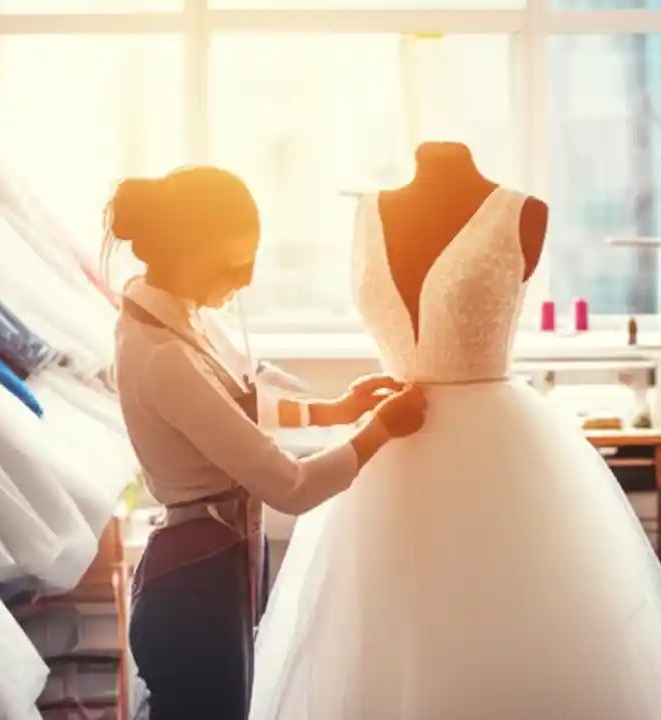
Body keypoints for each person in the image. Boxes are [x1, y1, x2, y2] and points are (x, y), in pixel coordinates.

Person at [250, 143, 661, 718]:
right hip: (385, 449)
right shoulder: (368, 213)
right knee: (383, 626)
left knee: (502, 613)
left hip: (493, 454)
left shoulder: (522, 212)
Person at [106, 165, 427, 720]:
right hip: (193, 590)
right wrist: (376, 432)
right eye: (235, 264)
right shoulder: (163, 356)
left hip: (216, 572)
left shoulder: (183, 319)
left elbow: (237, 401)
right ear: (187, 253)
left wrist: (335, 409)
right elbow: (291, 487)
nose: (249, 279)